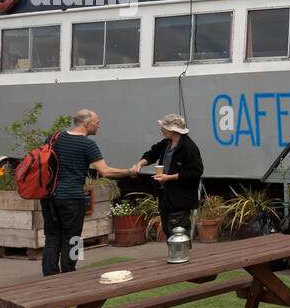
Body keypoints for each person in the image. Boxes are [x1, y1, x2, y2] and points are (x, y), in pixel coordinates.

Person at [44, 109, 130, 276]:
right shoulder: (87, 144)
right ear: (87, 123)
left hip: (49, 196)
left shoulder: (54, 137)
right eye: (97, 123)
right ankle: (70, 272)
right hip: (72, 197)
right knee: (74, 237)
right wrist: (129, 172)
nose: (99, 126)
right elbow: (105, 172)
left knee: (52, 237)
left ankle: (49, 276)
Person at [129, 113, 204, 238]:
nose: (161, 129)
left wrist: (169, 177)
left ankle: (182, 256)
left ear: (172, 130)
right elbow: (152, 153)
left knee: (179, 231)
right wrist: (139, 165)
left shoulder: (189, 147)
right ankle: (174, 256)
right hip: (165, 196)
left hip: (180, 197)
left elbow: (195, 172)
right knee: (167, 229)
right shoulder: (166, 143)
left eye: (163, 127)